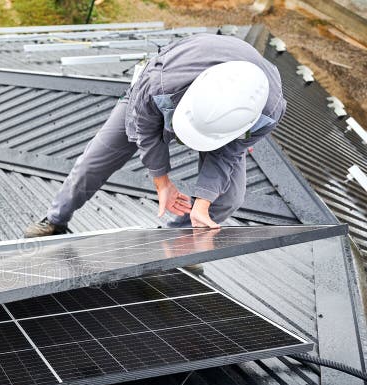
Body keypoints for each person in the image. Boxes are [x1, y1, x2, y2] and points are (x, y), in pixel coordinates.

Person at [24, 33, 286, 238]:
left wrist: (203, 202)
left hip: (224, 125)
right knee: (95, 160)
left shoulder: (267, 111)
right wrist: (162, 182)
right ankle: (55, 220)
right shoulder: (159, 82)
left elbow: (228, 155)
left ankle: (174, 241)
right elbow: (147, 134)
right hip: (158, 97)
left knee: (228, 197)